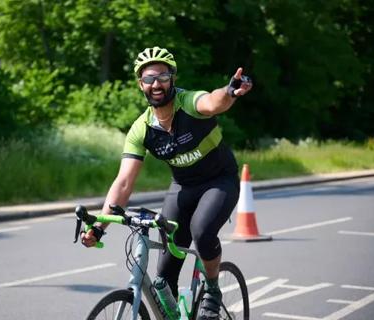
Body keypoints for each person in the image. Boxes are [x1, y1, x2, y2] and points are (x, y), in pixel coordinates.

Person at [81, 46, 252, 319]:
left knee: (202, 231)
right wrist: (99, 227)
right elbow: (124, 182)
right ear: (141, 85)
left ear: (172, 78)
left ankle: (213, 290)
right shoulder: (142, 129)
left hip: (219, 181)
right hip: (182, 187)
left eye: (162, 76)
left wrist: (230, 91)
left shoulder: (189, 103)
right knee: (163, 279)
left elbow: (212, 101)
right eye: (149, 79)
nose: (156, 84)